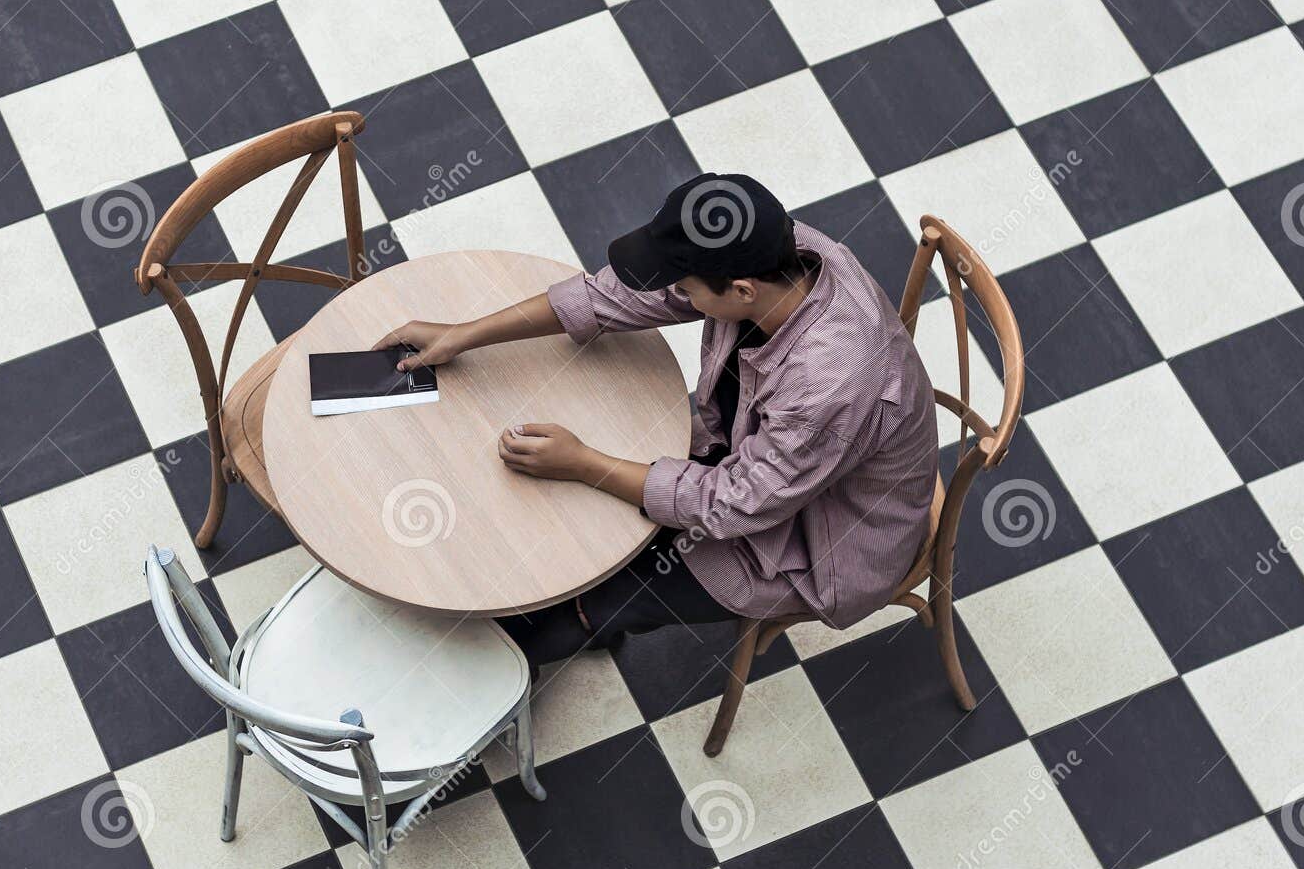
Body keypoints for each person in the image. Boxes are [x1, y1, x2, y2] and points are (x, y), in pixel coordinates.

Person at [374, 173, 938, 668]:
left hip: (819, 542)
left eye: (687, 288)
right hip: (761, 462)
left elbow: (732, 505)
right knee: (587, 517)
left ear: (741, 291)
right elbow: (614, 298)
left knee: (600, 593)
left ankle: (520, 660)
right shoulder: (780, 253)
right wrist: (464, 333)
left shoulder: (829, 387)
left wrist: (583, 463)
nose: (677, 295)